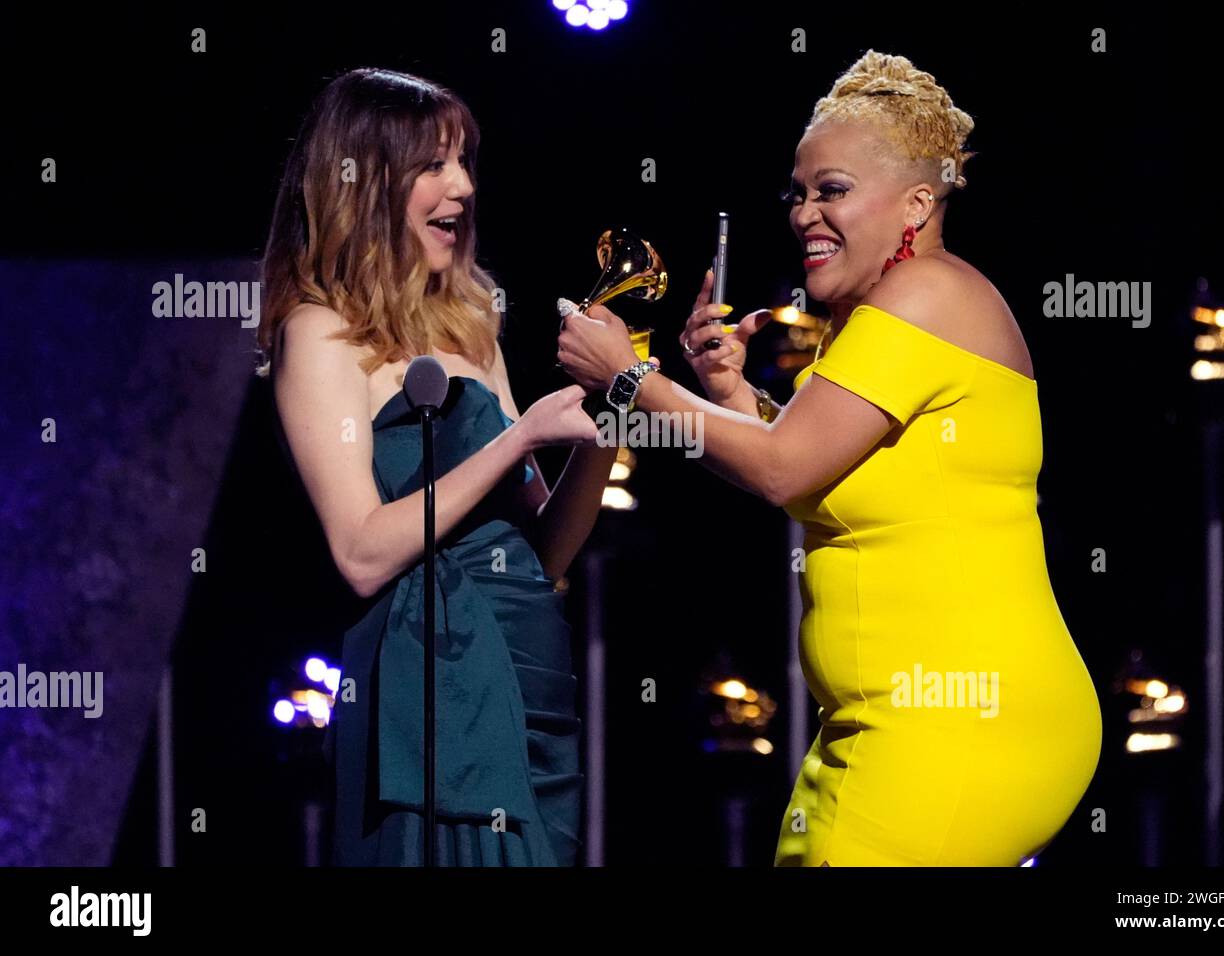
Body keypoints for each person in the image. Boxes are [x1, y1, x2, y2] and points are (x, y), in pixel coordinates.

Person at [556, 50, 1102, 866]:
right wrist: (731, 395)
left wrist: (629, 378)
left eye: (833, 190)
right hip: (884, 726)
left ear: (919, 200)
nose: (804, 213)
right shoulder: (886, 314)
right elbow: (805, 470)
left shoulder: (925, 295)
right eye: (799, 193)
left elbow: (782, 467)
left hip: (956, 728)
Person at [257, 68, 608, 866]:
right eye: (434, 165)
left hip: (530, 672)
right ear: (365, 182)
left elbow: (544, 555)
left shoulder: (474, 319)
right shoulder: (321, 333)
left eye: (464, 161)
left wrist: (605, 425)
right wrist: (515, 441)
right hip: (432, 682)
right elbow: (359, 551)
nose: (464, 186)